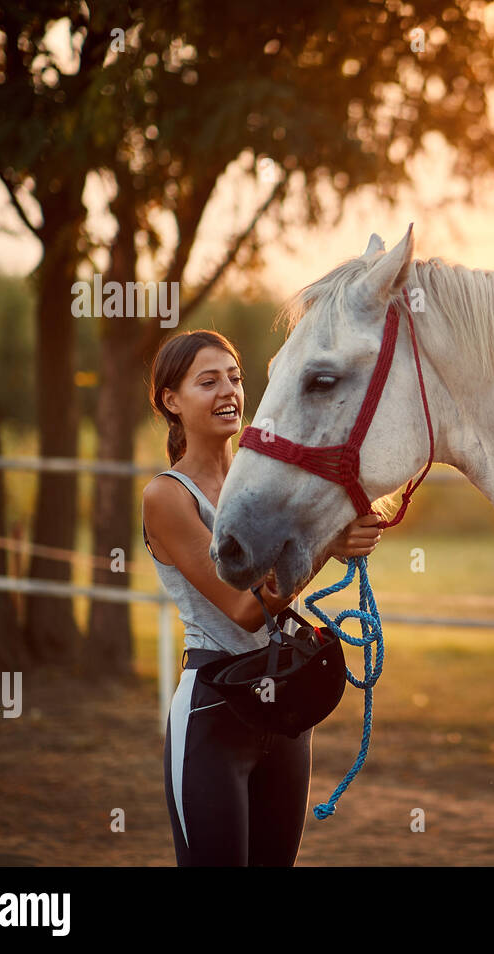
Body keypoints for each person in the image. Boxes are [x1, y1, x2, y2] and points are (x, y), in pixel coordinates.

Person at [143, 329, 382, 866]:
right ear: (171, 401)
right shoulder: (166, 496)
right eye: (208, 382)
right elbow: (245, 607)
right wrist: (328, 545)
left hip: (285, 710)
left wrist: (351, 525)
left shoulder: (267, 482)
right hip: (213, 710)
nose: (228, 391)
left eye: (235, 377)